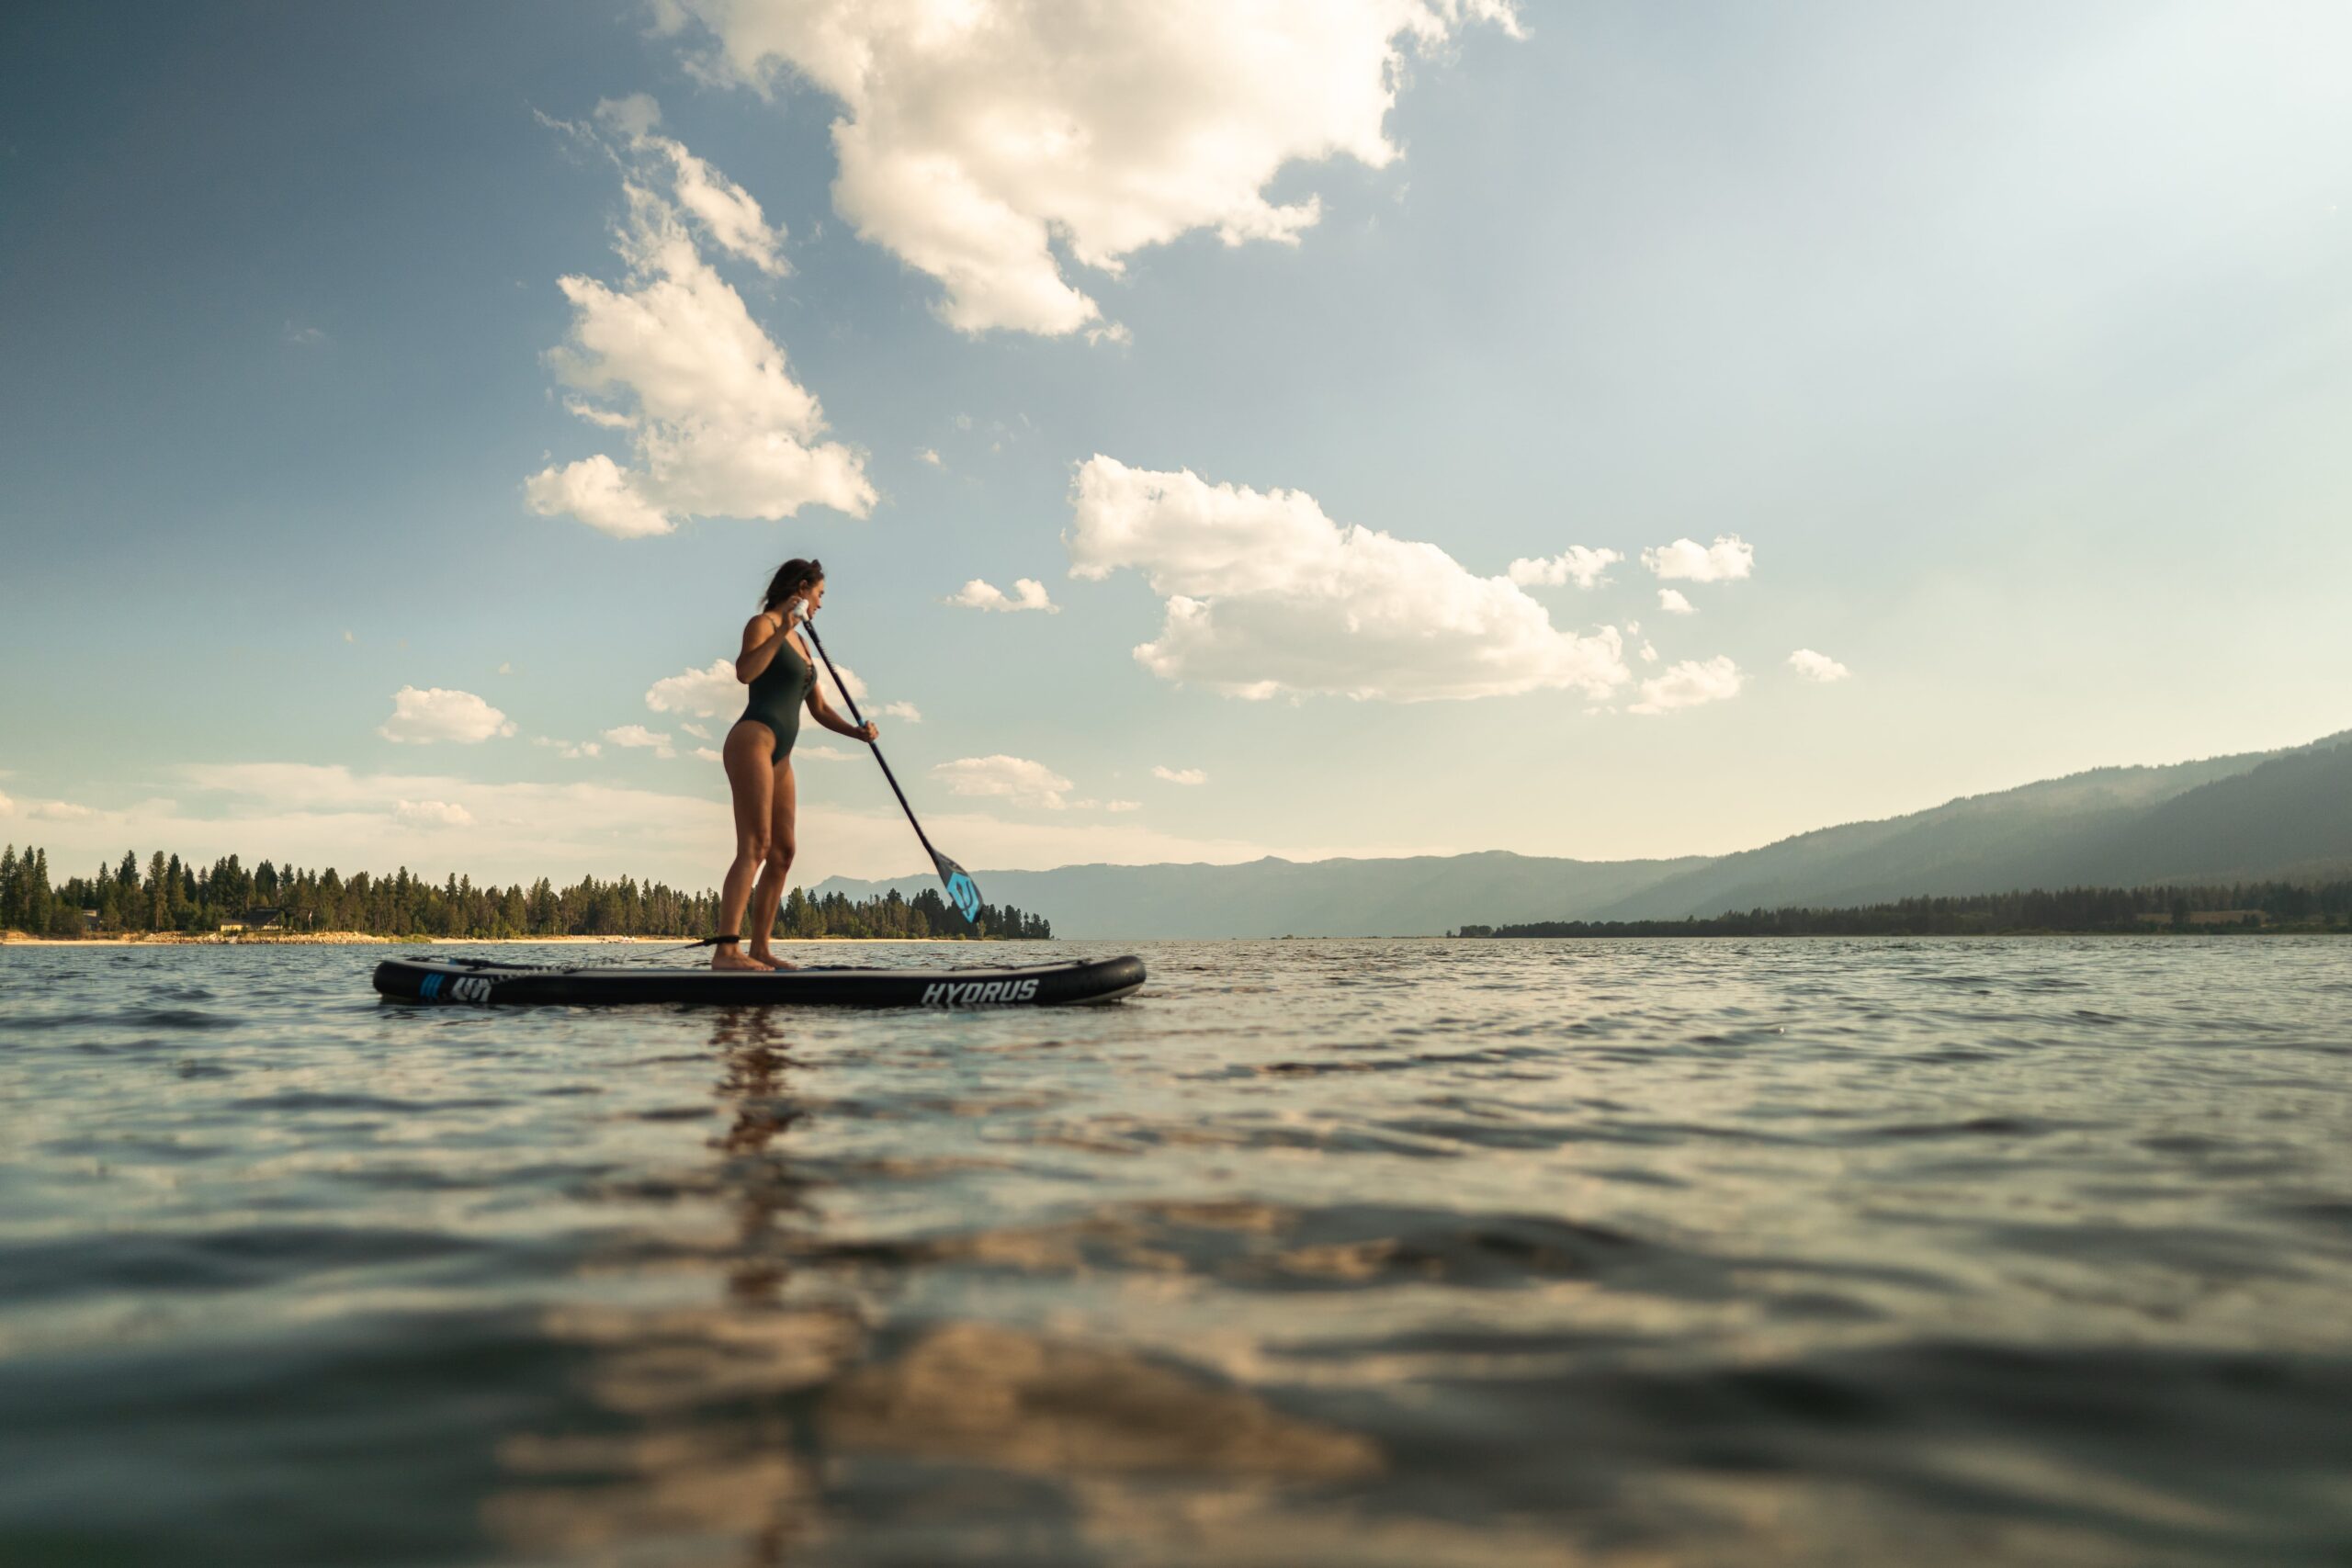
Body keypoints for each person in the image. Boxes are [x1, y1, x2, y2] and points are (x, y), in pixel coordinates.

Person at [715, 558, 878, 970]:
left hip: (782, 755)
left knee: (784, 851)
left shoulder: (805, 645)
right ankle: (726, 951)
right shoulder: (765, 625)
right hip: (753, 738)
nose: (821, 605)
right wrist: (785, 628)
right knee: (755, 846)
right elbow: (745, 672)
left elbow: (820, 708)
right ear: (802, 589)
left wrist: (856, 733)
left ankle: (760, 949)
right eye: (820, 595)